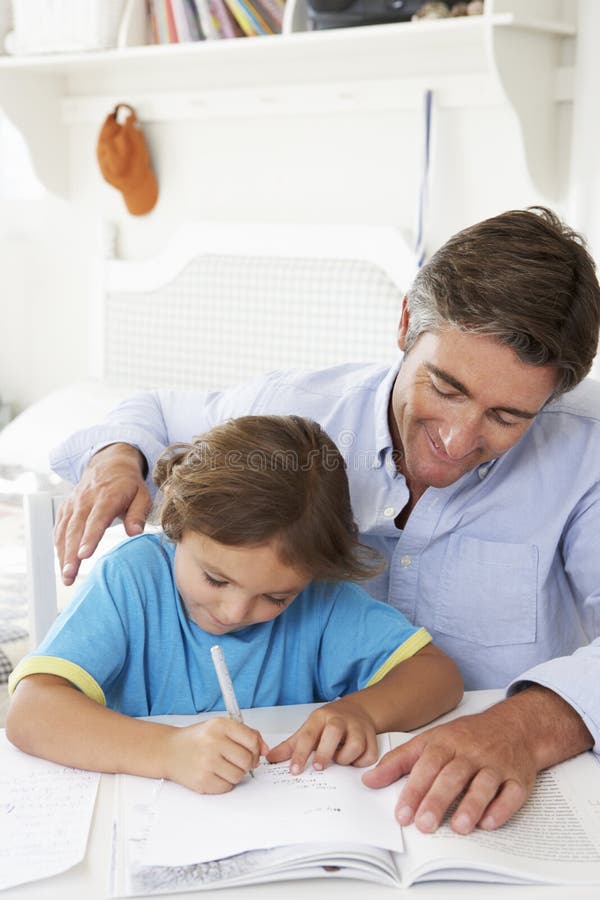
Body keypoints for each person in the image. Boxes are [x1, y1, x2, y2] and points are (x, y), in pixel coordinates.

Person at [49, 207, 600, 830]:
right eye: (445, 388)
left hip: (510, 778)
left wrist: (525, 728)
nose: (457, 437)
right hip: (324, 791)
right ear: (403, 326)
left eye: (505, 418)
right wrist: (119, 456)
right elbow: (149, 413)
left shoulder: (587, 453)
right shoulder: (289, 422)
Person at [7, 415, 462, 793]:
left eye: (275, 597)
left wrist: (362, 711)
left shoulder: (320, 599)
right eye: (215, 578)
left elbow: (437, 675)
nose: (234, 613)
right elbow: (31, 713)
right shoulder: (133, 580)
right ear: (175, 523)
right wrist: (168, 751)